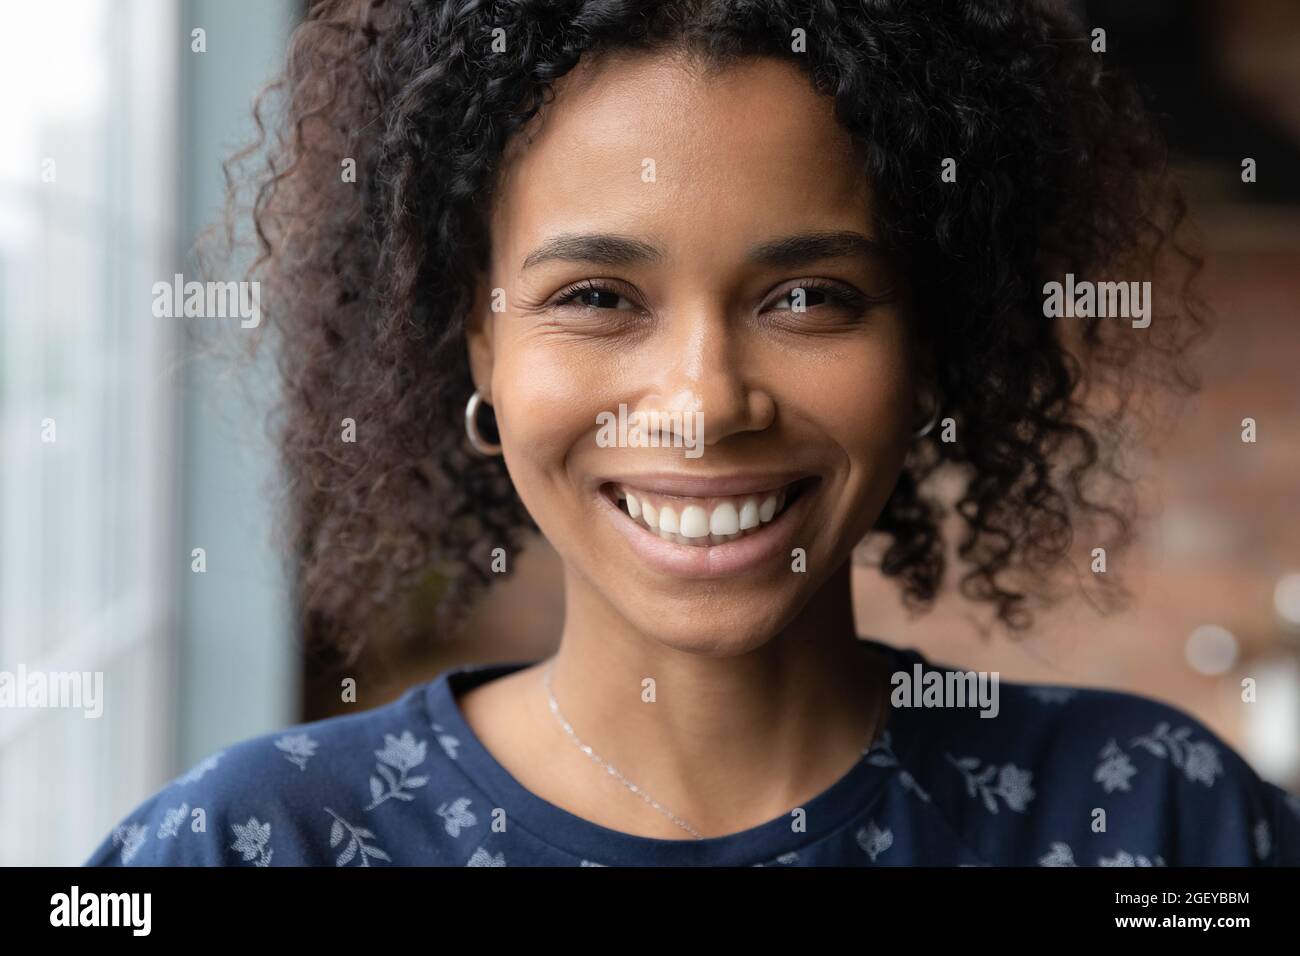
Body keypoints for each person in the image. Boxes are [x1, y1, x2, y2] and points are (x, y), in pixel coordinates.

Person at [87, 0, 1299, 866]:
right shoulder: (250, 843)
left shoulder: (1155, 817)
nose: (707, 401)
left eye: (809, 297)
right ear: (478, 346)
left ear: (927, 346)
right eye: (597, 298)